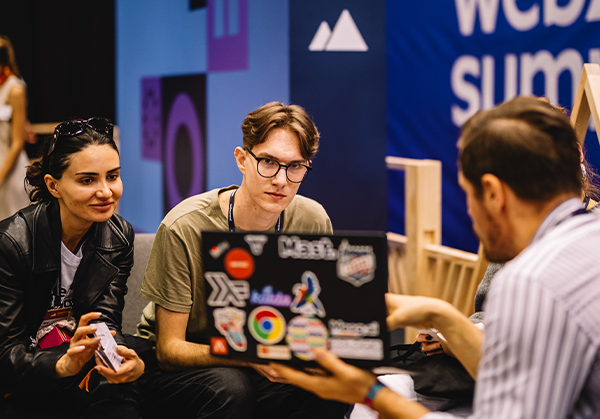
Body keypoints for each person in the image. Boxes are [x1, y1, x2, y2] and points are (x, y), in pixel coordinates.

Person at [272, 95, 600, 418]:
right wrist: (442, 316)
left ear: (493, 193)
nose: (470, 215)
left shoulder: (529, 280)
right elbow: (520, 379)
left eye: (467, 195)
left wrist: (370, 394)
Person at [136, 101, 348, 418]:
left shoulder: (312, 220)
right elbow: (169, 349)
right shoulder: (185, 226)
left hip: (267, 357)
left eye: (295, 167)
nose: (281, 180)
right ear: (242, 160)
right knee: (232, 386)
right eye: (268, 162)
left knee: (332, 385)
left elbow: (319, 317)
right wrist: (251, 357)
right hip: (184, 362)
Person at [0, 118, 145, 418]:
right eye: (87, 180)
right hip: (26, 374)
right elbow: (7, 354)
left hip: (80, 364)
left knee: (129, 386)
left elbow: (105, 322)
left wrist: (118, 359)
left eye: (113, 176)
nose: (106, 192)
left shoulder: (118, 236)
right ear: (54, 185)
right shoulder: (11, 243)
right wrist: (61, 365)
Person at [0, 35, 30, 220]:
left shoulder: (15, 89)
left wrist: (1, 177)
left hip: (9, 174)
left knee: (13, 230)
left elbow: (17, 143)